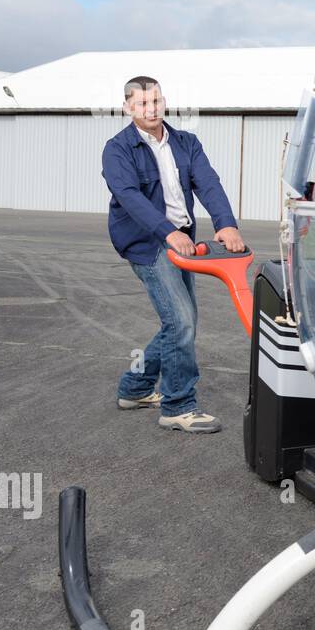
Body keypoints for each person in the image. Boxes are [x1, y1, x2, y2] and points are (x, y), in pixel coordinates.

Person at [101, 76, 245, 433]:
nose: (150, 109)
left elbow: (208, 183)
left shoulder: (186, 142)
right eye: (142, 104)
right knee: (181, 321)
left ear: (164, 102)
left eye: (155, 102)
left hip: (184, 241)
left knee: (182, 320)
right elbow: (129, 196)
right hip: (147, 242)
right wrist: (167, 233)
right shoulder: (117, 149)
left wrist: (225, 224)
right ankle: (178, 406)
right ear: (128, 107)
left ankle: (134, 389)